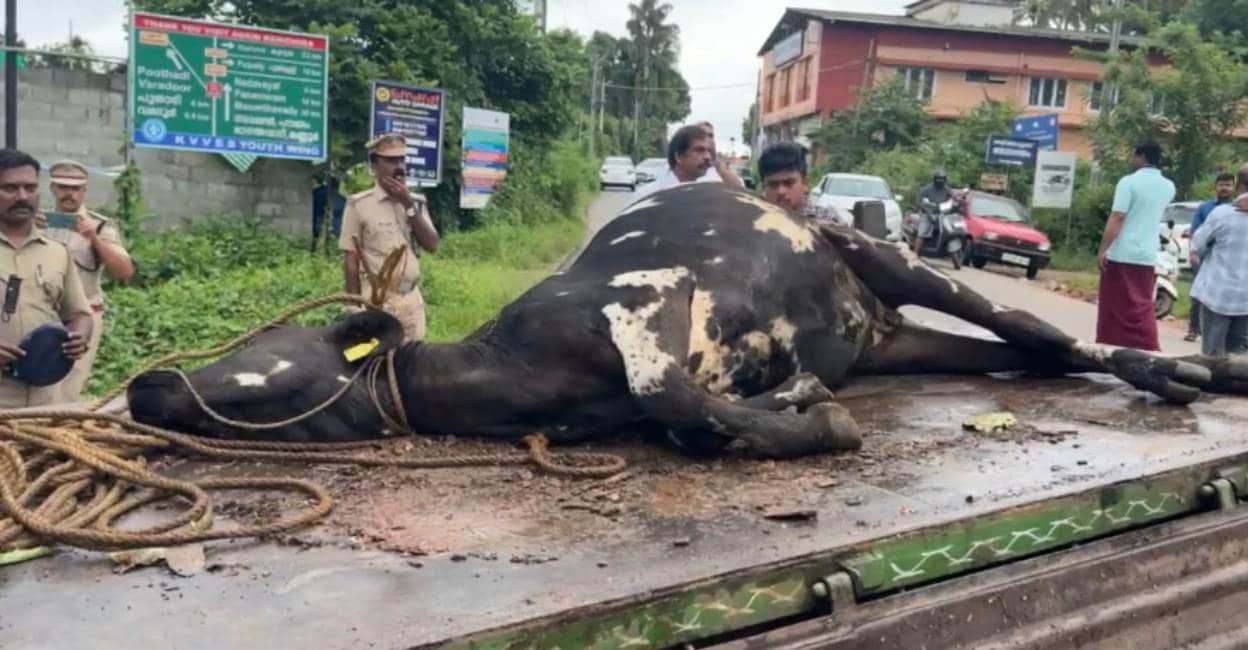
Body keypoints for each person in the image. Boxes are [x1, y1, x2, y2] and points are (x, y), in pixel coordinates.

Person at [0, 149, 92, 407]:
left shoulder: (57, 253)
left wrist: (79, 337)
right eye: (10, 188)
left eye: (30, 188)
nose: (22, 197)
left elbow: (79, 315)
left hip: (46, 398)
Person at [37, 160, 134, 402]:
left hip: (83, 317)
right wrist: (30, 228)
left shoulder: (100, 226)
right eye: (62, 187)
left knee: (69, 388)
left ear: (84, 191)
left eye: (75, 188)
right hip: (41, 315)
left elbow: (124, 272)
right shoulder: (35, 221)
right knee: (35, 385)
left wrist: (94, 239)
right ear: (52, 189)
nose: (69, 193)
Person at [339, 134, 439, 342]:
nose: (399, 166)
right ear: (374, 166)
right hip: (377, 303)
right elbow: (351, 262)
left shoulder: (416, 203)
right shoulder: (359, 205)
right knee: (374, 365)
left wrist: (407, 204)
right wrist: (354, 309)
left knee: (412, 366)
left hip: (411, 301)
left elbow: (432, 244)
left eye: (402, 160)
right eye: (391, 161)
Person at [1095, 142, 1176, 351]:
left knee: (1114, 305)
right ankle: (1147, 346)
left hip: (1123, 250)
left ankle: (1109, 346)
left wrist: (1103, 248)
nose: (1132, 159)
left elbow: (1117, 216)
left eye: (1134, 155)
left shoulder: (1128, 182)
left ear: (1141, 156)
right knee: (1141, 304)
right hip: (1148, 253)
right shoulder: (1169, 187)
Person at [1189, 184, 1248, 357]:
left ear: (1239, 187)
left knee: (1212, 357)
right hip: (1245, 301)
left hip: (1217, 294)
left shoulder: (1222, 214)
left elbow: (1197, 245)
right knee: (1238, 356)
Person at [1185, 172, 1237, 342]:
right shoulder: (1205, 208)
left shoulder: (1238, 208)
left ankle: (1226, 334)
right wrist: (1193, 253)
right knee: (1198, 294)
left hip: (1228, 261)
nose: (1224, 188)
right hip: (1204, 257)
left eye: (1228, 185)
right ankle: (1194, 329)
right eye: (1221, 184)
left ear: (1234, 187)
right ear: (1215, 187)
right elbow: (1196, 232)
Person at [626, 124, 718, 205]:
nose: (707, 157)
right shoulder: (647, 197)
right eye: (699, 150)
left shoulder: (707, 198)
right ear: (678, 156)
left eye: (708, 151)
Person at [756, 141, 842, 222]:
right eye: (773, 184)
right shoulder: (754, 220)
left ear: (805, 183)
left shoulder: (827, 219)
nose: (781, 191)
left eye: (789, 183)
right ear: (763, 187)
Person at [912, 170, 956, 254]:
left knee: (950, 229)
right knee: (922, 232)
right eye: (939, 179)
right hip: (928, 214)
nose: (941, 181)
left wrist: (957, 200)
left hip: (942, 214)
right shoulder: (926, 189)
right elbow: (917, 201)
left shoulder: (947, 189)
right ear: (934, 179)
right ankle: (915, 253)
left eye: (943, 179)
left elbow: (953, 197)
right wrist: (924, 208)